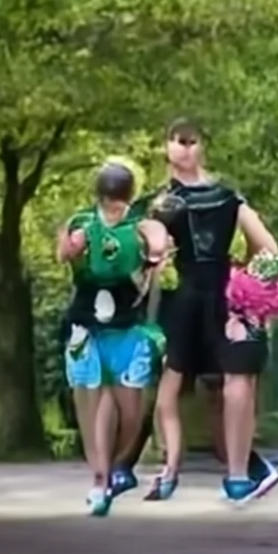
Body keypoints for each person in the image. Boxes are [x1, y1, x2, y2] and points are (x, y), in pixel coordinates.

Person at [146, 118, 278, 504]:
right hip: (226, 292)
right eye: (180, 141)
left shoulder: (162, 203)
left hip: (188, 297)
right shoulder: (227, 196)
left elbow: (151, 254)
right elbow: (269, 248)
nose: (185, 148)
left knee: (182, 387)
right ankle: (238, 476)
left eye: (188, 141)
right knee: (232, 379)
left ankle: (175, 469)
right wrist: (246, 274)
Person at [57, 160, 170, 515]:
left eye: (117, 200)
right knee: (92, 404)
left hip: (126, 326)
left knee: (131, 412)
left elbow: (157, 241)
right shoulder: (83, 223)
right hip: (86, 326)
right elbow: (65, 250)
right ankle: (100, 480)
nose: (113, 208)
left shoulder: (142, 225)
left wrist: (153, 253)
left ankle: (117, 468)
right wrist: (71, 248)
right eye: (109, 200)